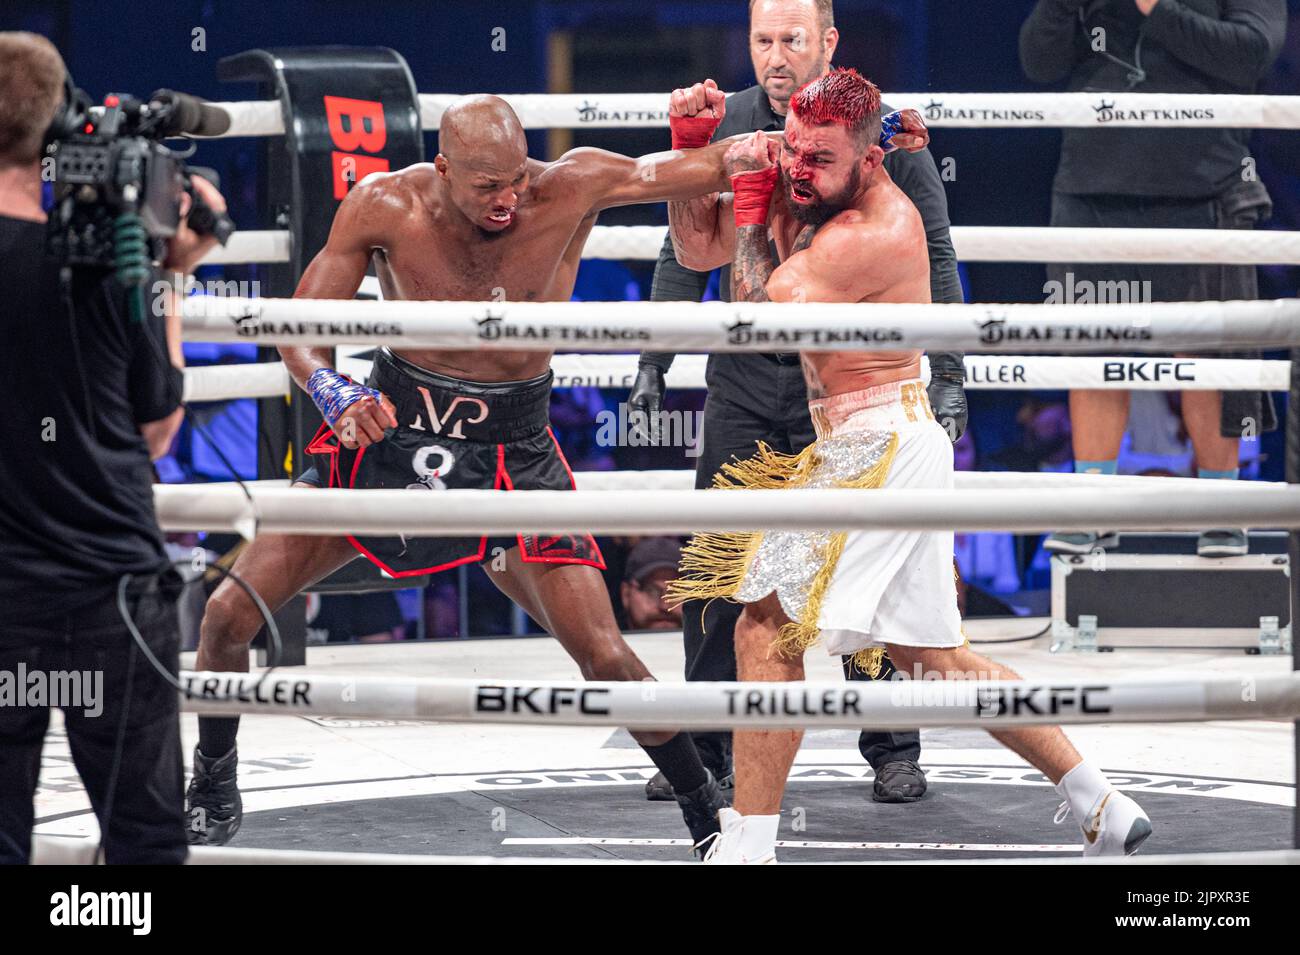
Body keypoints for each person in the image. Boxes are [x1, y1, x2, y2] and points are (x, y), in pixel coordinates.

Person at [186, 92, 751, 856]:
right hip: (388, 440)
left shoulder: (570, 184)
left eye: (517, 178)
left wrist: (835, 127)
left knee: (607, 656)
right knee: (226, 616)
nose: (510, 199)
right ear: (443, 167)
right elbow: (300, 322)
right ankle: (212, 774)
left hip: (512, 456)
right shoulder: (385, 205)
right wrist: (332, 388)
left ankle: (708, 818)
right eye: (489, 186)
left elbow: (719, 162)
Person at [665, 67, 1151, 863]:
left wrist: (748, 191)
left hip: (880, 442)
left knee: (764, 627)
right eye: (792, 149)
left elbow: (757, 306)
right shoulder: (818, 187)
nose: (798, 168)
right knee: (933, 657)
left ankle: (747, 846)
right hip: (865, 441)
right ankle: (1102, 802)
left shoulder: (878, 230)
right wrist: (697, 153)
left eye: (819, 158)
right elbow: (697, 247)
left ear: (872, 160)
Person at [629, 0, 965, 803]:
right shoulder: (734, 126)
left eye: (792, 39)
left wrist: (948, 372)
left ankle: (890, 743)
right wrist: (655, 353)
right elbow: (688, 244)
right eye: (762, 39)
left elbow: (934, 246)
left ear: (828, 43)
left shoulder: (875, 130)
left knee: (868, 569)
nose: (776, 56)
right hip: (750, 375)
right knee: (717, 564)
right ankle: (707, 746)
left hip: (854, 388)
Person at [0, 32, 225, 863]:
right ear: (58, 122)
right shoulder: (101, 262)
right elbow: (157, 424)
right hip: (109, 593)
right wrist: (169, 274)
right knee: (141, 835)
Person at [1020, 0, 1287, 558]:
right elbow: (1038, 63)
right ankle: (1093, 505)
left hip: (1203, 185)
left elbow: (1251, 55)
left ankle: (1222, 512)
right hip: (1091, 186)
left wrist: (1154, 6)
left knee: (1210, 353)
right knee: (1091, 353)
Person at [620, 537, 686, 631]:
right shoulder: (603, 643)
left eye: (677, 592)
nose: (665, 606)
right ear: (626, 594)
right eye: (651, 591)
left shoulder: (710, 644)